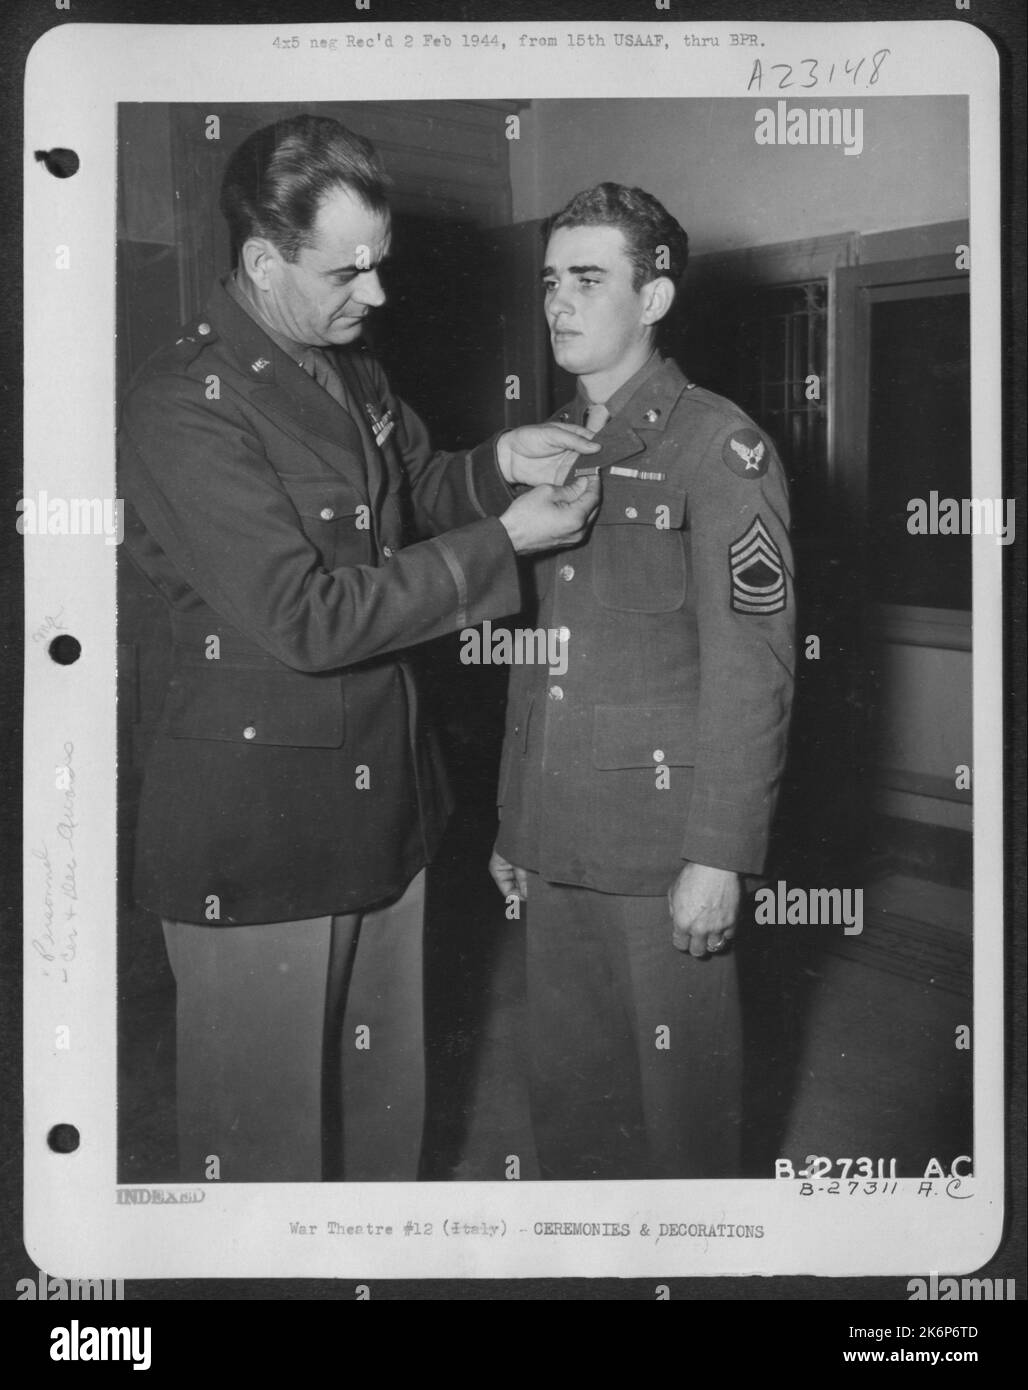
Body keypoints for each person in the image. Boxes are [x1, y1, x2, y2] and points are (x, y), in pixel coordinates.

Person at [118, 115, 601, 1183]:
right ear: (260, 262)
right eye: (348, 271)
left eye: (378, 266)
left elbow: (414, 491)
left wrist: (495, 466)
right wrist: (505, 542)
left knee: (387, 1123)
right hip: (258, 838)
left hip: (386, 813)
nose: (374, 295)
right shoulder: (180, 406)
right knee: (263, 1154)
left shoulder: (348, 365)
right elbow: (306, 615)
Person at [489, 183, 796, 1180]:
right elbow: (540, 657)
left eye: (587, 279)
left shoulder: (719, 444)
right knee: (570, 1112)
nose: (557, 305)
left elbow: (752, 669)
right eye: (549, 282)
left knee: (685, 1128)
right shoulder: (549, 446)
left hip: (663, 847)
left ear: (653, 298)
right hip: (557, 833)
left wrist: (719, 855)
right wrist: (510, 817)